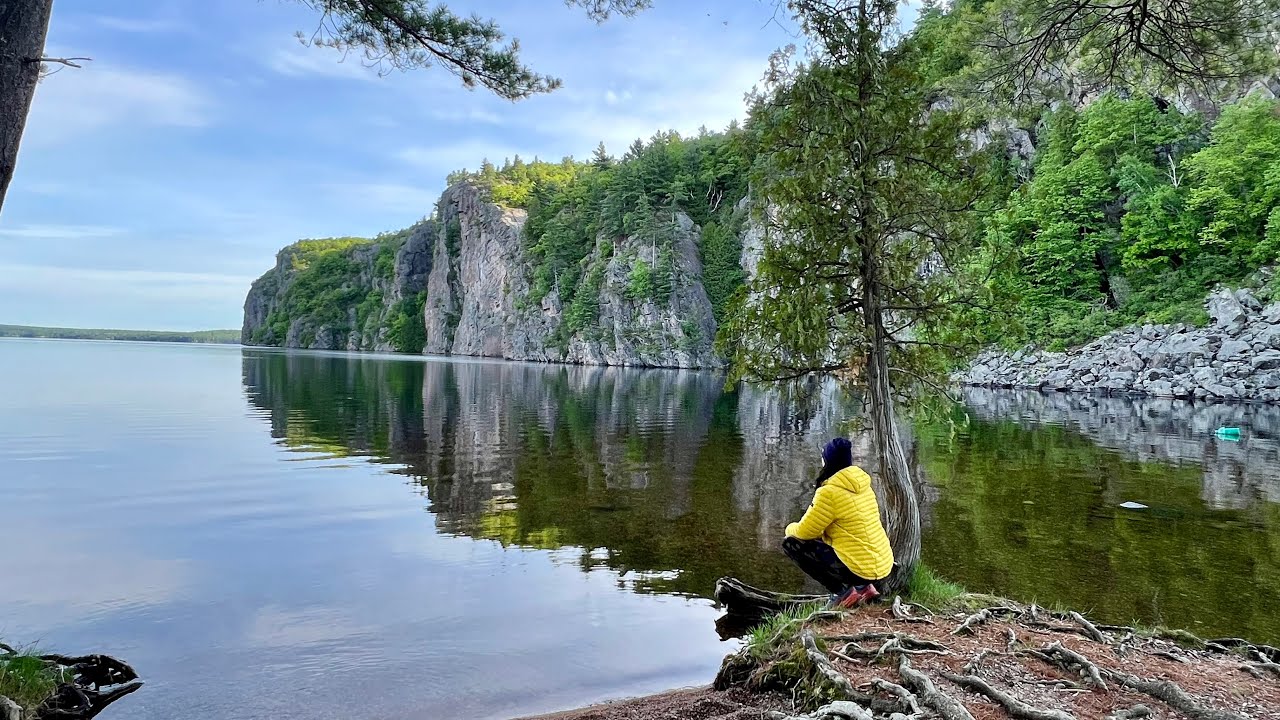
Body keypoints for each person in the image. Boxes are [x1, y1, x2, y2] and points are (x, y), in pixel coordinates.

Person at [782, 437, 894, 609]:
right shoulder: (864, 486)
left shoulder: (829, 493)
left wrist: (789, 528)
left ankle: (844, 593)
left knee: (792, 543)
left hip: (861, 568)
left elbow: (805, 532)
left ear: (828, 462)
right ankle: (865, 588)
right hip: (882, 565)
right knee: (831, 541)